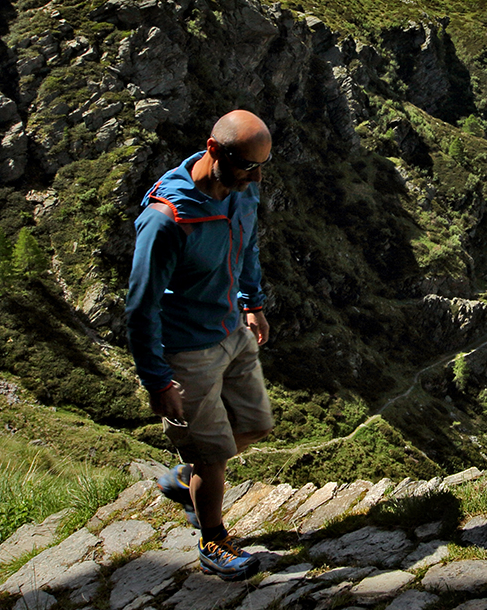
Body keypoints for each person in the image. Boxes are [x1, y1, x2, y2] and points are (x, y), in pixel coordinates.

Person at [125, 109, 274, 581]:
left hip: (232, 330)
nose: (254, 177)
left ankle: (181, 478)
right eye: (247, 165)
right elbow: (140, 307)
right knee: (212, 456)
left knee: (253, 426)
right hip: (187, 351)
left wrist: (253, 302)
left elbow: (246, 248)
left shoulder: (240, 195)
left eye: (260, 166)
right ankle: (213, 541)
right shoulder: (166, 221)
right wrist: (156, 379)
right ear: (214, 150)